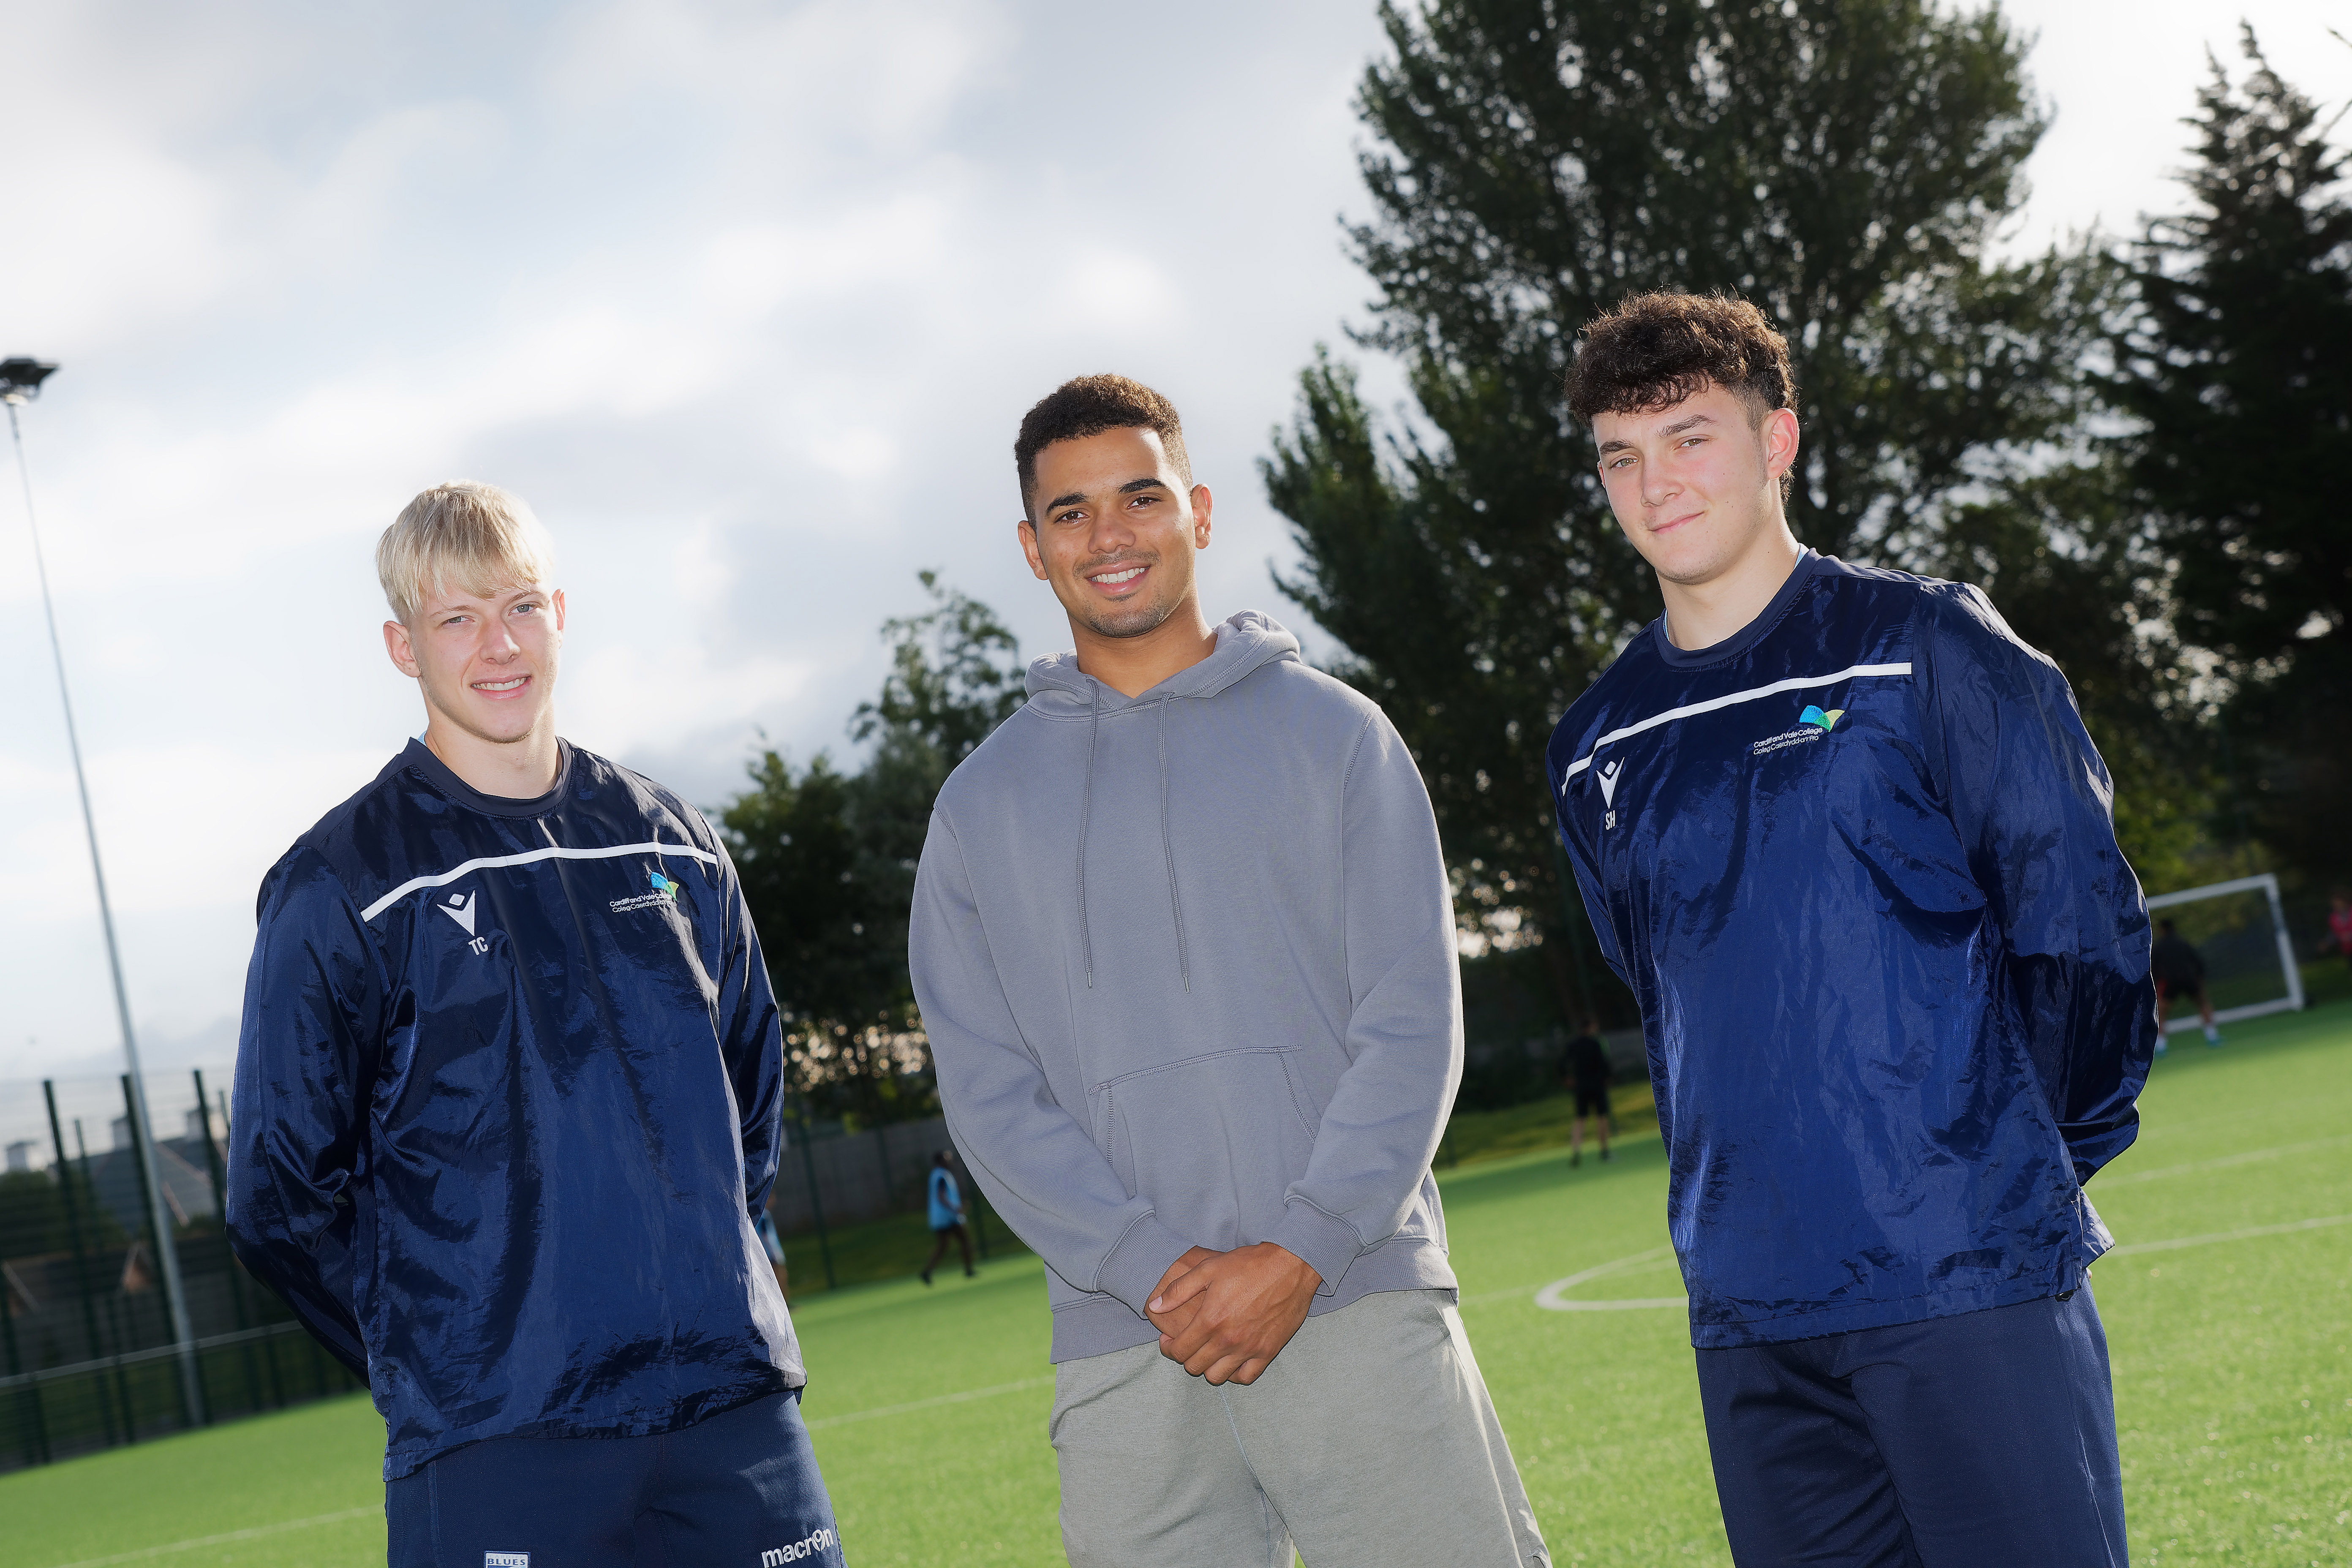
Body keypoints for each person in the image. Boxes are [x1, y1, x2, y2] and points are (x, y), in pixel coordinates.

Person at [1545, 295, 2154, 1568]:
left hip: (1963, 1275)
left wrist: (1996, 1169)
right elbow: (1662, 976)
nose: (1653, 484)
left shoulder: (1919, 647)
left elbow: (2079, 931)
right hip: (1748, 1305)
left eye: (1690, 438)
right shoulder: (1594, 742)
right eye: (1620, 453)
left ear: (1778, 444)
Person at [911, 376, 1550, 1568]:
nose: (1111, 535)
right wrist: (1150, 1271)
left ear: (1198, 511)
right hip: (1123, 1340)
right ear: (1032, 548)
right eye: (1071, 512)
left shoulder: (1339, 736)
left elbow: (1413, 1021)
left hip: (1353, 1291)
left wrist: (1304, 1247)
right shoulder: (978, 810)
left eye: (1140, 496)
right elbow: (989, 1093)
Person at [226, 482, 841, 1568]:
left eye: (518, 606)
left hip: (728, 1414)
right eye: (455, 618)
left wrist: (700, 1275)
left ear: (559, 611)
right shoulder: (341, 883)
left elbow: (749, 1101)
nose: (496, 645)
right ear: (400, 645)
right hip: (500, 1440)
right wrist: (436, 1348)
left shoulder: (678, 844)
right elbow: (279, 1192)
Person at [2151, 917, 2223, 1048]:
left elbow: (2154, 968)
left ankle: (2161, 1045)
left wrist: (2156, 984)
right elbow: (2198, 961)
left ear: (2162, 930)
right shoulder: (2183, 943)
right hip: (2189, 979)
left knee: (2161, 1011)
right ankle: (2213, 1036)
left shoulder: (2158, 946)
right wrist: (2200, 978)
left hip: (2170, 982)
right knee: (2203, 1004)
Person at [920, 1149, 976, 1285]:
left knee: (943, 1247)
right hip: (949, 1217)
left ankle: (927, 1272)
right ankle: (969, 1270)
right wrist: (956, 1208)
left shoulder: (935, 1174)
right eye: (947, 1158)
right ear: (941, 1161)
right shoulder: (942, 1176)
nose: (950, 1160)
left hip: (939, 1218)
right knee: (965, 1241)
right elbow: (942, 1197)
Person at [1562, 1020, 1612, 1166]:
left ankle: (1576, 1151)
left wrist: (1566, 1078)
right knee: (1601, 1117)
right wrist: (1608, 1077)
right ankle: (1604, 1151)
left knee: (1580, 1119)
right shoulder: (1596, 1043)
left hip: (1581, 1086)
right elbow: (1603, 1063)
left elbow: (1562, 1062)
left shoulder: (1573, 1044)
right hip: (1597, 1085)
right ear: (1590, 1027)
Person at [758, 1206, 792, 1297]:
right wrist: (775, 1254)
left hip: (762, 1254)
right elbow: (766, 1236)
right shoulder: (764, 1215)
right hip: (770, 1253)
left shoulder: (756, 1213)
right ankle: (783, 1302)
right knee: (780, 1278)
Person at [2329, 891, 2352, 973]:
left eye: (2338, 903)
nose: (2336, 905)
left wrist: (2350, 936)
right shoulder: (2333, 918)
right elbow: (2334, 933)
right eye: (2334, 904)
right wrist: (2327, 942)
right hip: (2348, 950)